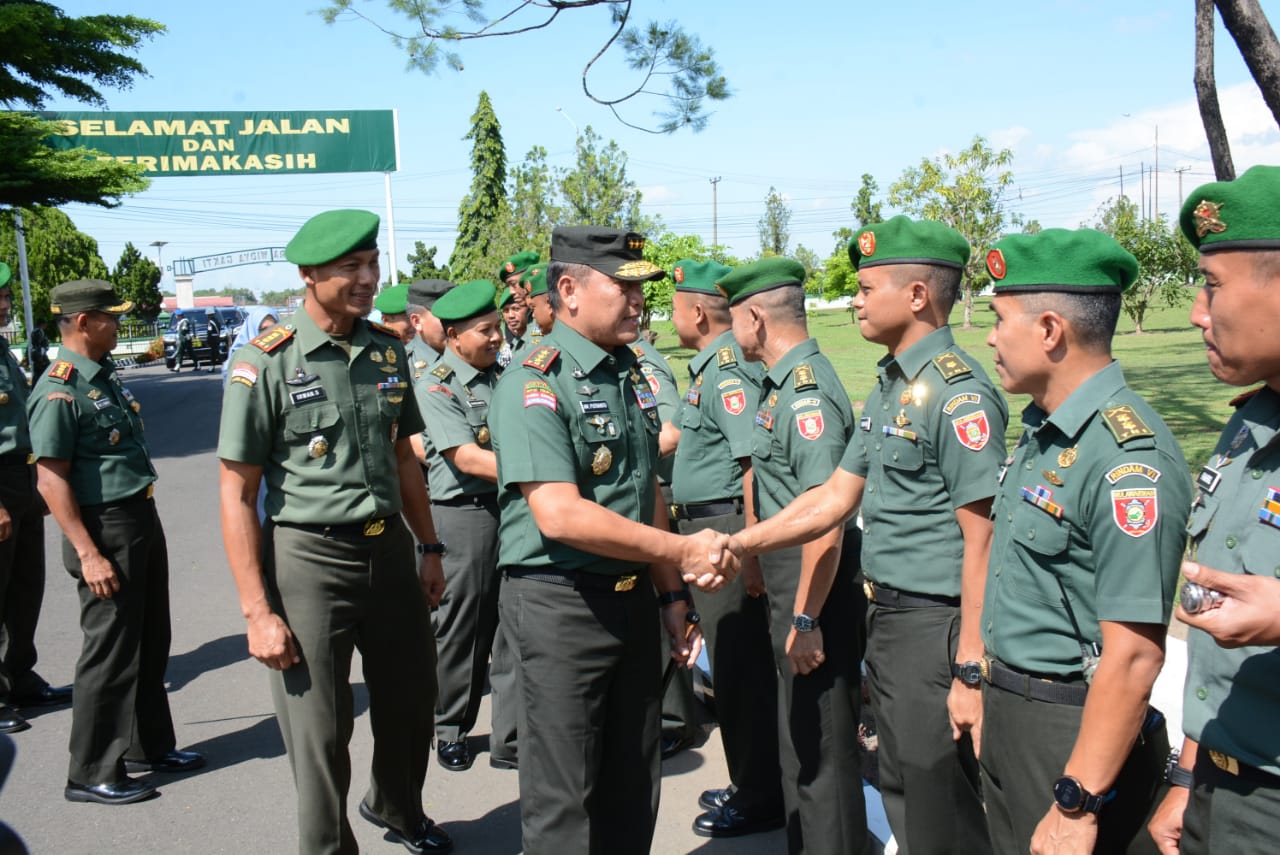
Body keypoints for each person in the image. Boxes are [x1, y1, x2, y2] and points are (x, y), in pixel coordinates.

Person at [733, 218, 1002, 854]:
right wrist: (740, 544)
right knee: (906, 789)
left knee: (941, 807)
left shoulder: (956, 395)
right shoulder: (892, 387)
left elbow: (984, 540)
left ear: (916, 295)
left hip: (934, 625)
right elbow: (831, 497)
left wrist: (969, 664)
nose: (853, 299)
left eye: (866, 286)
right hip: (889, 620)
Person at [489, 225, 732, 854]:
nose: (637, 301)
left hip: (629, 600)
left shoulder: (627, 373)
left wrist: (671, 598)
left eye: (641, 289)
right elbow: (561, 515)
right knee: (565, 801)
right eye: (622, 287)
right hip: (562, 603)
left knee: (632, 782)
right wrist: (681, 551)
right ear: (567, 290)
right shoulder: (533, 381)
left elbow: (645, 488)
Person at [217, 209, 452, 855]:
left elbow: (407, 458)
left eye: (372, 264)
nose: (368, 277)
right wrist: (257, 609)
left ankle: (399, 806)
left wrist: (429, 547)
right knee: (319, 731)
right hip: (308, 560)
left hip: (389, 552)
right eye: (351, 267)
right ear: (309, 274)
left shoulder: (385, 349)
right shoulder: (262, 363)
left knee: (411, 699)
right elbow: (236, 493)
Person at [976, 229, 1191, 855]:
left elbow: (1133, 655)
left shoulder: (1128, 458)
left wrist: (1078, 800)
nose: (989, 336)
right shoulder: (1046, 432)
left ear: (1049, 330)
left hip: (1073, 732)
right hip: (1017, 712)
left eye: (997, 319)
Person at [713, 256, 869, 855]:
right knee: (797, 742)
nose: (730, 335)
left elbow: (824, 521)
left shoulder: (807, 394)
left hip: (814, 585)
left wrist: (805, 618)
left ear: (755, 318)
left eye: (733, 322)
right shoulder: (779, 384)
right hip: (789, 577)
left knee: (821, 751)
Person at [28, 279, 205, 806]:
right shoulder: (59, 389)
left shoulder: (99, 378)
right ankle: (90, 770)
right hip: (103, 530)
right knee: (108, 654)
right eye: (111, 316)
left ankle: (145, 748)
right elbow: (51, 479)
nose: (118, 324)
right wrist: (87, 552)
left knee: (149, 640)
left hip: (137, 518)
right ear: (84, 322)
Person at [1147, 164, 1280, 855]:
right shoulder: (1250, 420)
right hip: (1218, 781)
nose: (1198, 311)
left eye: (1214, 286)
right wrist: (1187, 772)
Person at [667, 258, 784, 837]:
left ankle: (762, 795)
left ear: (694, 311)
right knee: (732, 662)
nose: (669, 315)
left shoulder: (726, 371)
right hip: (708, 529)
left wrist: (752, 552)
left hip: (726, 533)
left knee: (741, 668)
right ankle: (750, 780)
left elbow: (751, 465)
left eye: (672, 305)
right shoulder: (707, 368)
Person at [413, 279, 509, 773]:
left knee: (511, 627)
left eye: (497, 328)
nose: (496, 338)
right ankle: (450, 727)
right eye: (485, 331)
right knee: (464, 630)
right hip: (464, 517)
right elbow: (466, 457)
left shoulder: (505, 377)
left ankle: (512, 736)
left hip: (510, 511)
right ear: (453, 336)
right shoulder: (436, 385)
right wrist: (541, 470)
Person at [0, 263, 71, 736]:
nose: (5, 304)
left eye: (5, 295)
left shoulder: (3, 348)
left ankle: (19, 675)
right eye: (0, 298)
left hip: (19, 476)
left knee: (26, 585)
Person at [405, 278, 453, 382]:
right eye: (444, 317)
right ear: (417, 321)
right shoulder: (403, 364)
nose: (454, 325)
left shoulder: (472, 356)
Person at [222, 306, 281, 385]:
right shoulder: (240, 358)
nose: (269, 333)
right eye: (263, 329)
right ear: (252, 329)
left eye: (273, 328)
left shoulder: (285, 353)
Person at [496, 286, 529, 369]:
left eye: (516, 309)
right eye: (506, 310)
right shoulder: (505, 352)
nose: (510, 315)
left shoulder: (542, 338)